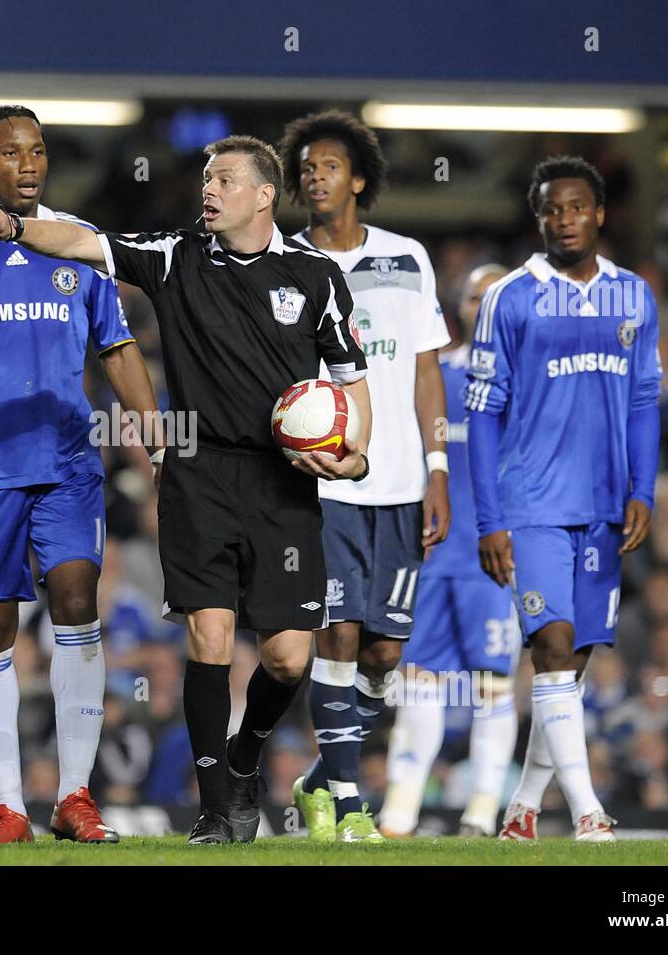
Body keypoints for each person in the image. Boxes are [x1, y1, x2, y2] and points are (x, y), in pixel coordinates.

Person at [0, 133, 372, 845]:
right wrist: (21, 228)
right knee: (210, 637)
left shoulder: (314, 275)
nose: (208, 190)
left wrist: (356, 457)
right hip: (197, 470)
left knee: (287, 658)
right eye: (206, 179)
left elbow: (350, 384)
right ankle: (215, 811)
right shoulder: (176, 254)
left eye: (224, 180)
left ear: (262, 195)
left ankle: (247, 756)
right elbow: (86, 244)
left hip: (285, 484)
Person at [0, 106, 160, 843]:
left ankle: (74, 797)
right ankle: (8, 806)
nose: (29, 163)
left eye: (38, 151)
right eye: (11, 152)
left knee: (77, 600)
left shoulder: (76, 245)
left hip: (69, 463)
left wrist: (159, 442)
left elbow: (117, 348)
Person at [467, 156, 662, 842]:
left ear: (600, 213)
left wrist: (643, 488)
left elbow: (643, 400)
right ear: (538, 217)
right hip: (532, 505)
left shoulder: (634, 296)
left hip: (604, 506)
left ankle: (521, 809)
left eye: (577, 206)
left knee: (570, 666)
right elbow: (484, 413)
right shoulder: (512, 296)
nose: (565, 219)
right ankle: (587, 813)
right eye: (552, 209)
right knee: (550, 646)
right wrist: (490, 520)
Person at [276, 111, 450, 843]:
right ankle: (348, 805)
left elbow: (424, 368)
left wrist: (439, 467)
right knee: (338, 635)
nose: (315, 176)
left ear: (360, 179)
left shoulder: (407, 257)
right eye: (306, 167)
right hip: (325, 481)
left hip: (402, 482)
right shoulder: (282, 262)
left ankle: (319, 779)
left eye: (329, 165)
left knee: (384, 653)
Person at [378, 263, 522, 838]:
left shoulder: (531, 385)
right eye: (474, 297)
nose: (484, 307)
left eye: (495, 298)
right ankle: (400, 809)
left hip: (494, 563)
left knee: (492, 686)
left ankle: (484, 810)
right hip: (432, 558)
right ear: (457, 307)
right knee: (420, 683)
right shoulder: (434, 378)